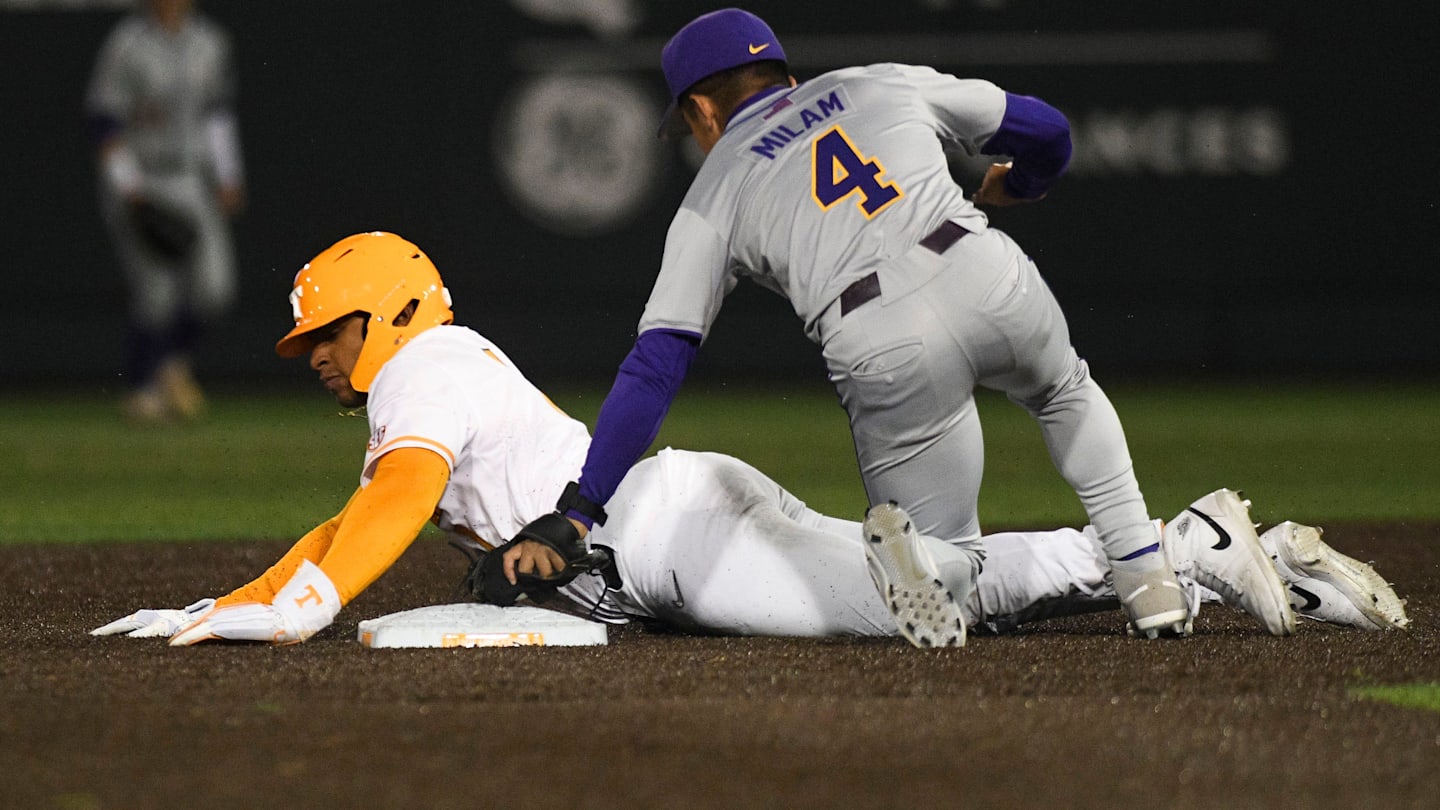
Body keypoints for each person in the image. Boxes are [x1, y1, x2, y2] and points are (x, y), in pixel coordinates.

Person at [88, 232, 1409, 646]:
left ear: (381, 318)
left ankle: (1188, 537)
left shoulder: (419, 365)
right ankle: (1235, 552)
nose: (315, 356)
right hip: (668, 520)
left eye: (323, 334)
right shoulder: (428, 370)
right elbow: (353, 517)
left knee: (919, 612)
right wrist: (240, 595)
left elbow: (386, 513)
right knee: (921, 593)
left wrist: (302, 603)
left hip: (668, 534)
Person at [501, 7, 1196, 647]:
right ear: (787, 77)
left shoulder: (711, 196)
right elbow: (1047, 130)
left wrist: (583, 508)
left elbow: (657, 363)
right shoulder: (877, 83)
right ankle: (1146, 573)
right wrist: (1022, 184)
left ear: (703, 107)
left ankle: (930, 564)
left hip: (876, 334)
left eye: (691, 125)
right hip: (975, 261)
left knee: (953, 558)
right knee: (1062, 391)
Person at [84, 0, 246, 423]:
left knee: (215, 288)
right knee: (155, 293)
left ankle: (170, 364)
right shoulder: (127, 43)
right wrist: (126, 186)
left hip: (192, 177)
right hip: (144, 177)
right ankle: (142, 389)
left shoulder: (209, 41)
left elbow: (217, 115)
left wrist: (227, 174)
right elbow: (105, 120)